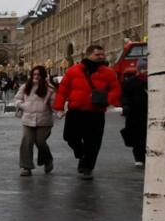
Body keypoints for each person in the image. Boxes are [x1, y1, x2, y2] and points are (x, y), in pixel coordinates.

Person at [52, 44, 121, 180]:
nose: (101, 57)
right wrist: (59, 107)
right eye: (97, 54)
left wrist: (107, 100)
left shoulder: (108, 72)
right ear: (88, 55)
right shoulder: (73, 70)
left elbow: (116, 89)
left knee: (93, 142)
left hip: (96, 112)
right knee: (70, 137)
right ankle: (81, 154)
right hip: (75, 111)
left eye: (102, 54)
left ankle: (88, 168)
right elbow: (63, 90)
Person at [12, 65, 54, 176]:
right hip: (28, 119)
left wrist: (51, 96)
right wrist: (22, 105)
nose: (36, 76)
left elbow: (54, 104)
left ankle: (47, 160)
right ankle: (26, 166)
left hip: (44, 120)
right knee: (26, 141)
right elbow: (17, 99)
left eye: (39, 74)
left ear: (43, 76)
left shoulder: (48, 88)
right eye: (34, 74)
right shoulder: (26, 86)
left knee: (40, 142)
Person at [121, 59, 149, 166]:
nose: (146, 70)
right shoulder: (130, 82)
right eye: (143, 68)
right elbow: (124, 95)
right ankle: (138, 157)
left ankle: (147, 156)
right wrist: (125, 105)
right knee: (137, 136)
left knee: (147, 136)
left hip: (149, 113)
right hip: (135, 114)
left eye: (147, 68)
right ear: (138, 69)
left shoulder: (153, 81)